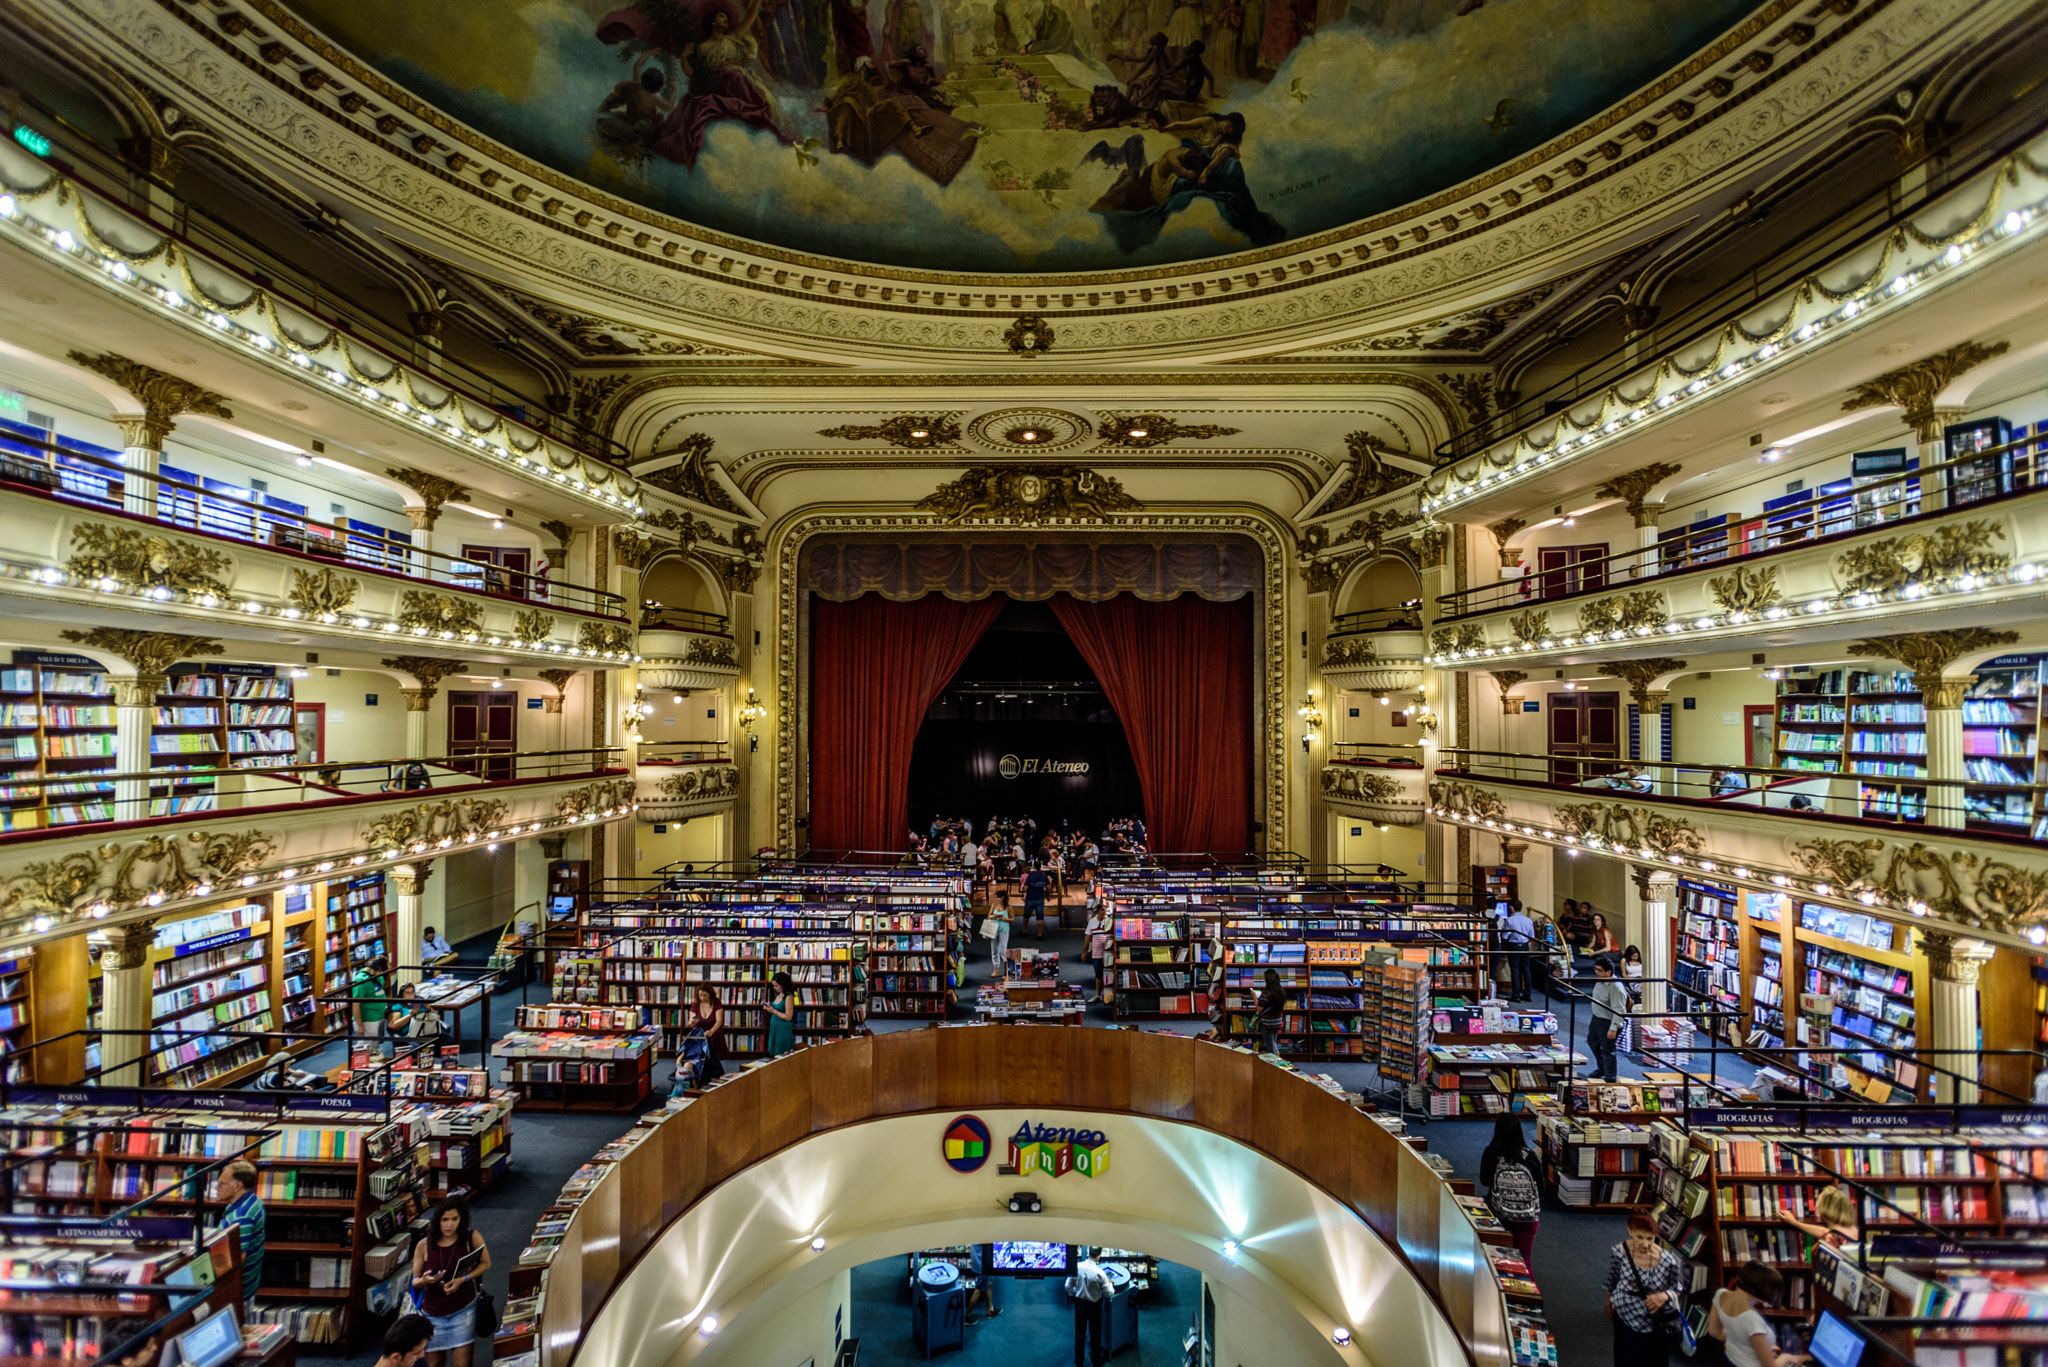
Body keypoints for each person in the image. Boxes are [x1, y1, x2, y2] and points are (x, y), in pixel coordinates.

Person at [411, 1199, 490, 1367]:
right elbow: (415, 1281)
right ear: (437, 1220)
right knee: (434, 1364)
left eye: (454, 1219)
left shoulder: (471, 1237)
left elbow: (485, 1263)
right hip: (432, 1315)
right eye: (445, 1219)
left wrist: (465, 1279)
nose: (449, 1225)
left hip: (463, 1310)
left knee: (463, 1364)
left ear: (461, 1220)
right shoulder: (424, 1245)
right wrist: (424, 1281)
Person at [1605, 1211, 1686, 1367]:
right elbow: (1612, 1279)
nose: (1645, 1244)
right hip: (1624, 1317)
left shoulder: (1668, 1260)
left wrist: (1663, 1296)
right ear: (1630, 1231)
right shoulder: (1619, 1252)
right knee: (1624, 1359)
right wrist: (1608, 1301)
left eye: (1650, 1238)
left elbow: (1677, 1287)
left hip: (1653, 1323)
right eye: (1639, 1237)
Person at [1710, 1261, 1810, 1367]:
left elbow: (1714, 1332)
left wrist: (1757, 1349)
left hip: (1730, 1362)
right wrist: (1786, 1357)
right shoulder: (1752, 1318)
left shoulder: (1720, 1294)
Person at [1480, 1115, 1542, 1269]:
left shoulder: (1491, 1153)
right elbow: (1540, 1186)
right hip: (1528, 1216)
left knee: (1498, 1257)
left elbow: (1484, 1180)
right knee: (1524, 1259)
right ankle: (1529, 1291)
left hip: (1500, 1213)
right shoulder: (1530, 1156)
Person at [217, 1159, 266, 1311]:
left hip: (236, 1294)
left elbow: (236, 1259)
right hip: (249, 1287)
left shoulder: (241, 1217)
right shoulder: (254, 1201)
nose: (216, 1188)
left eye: (221, 1184)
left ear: (238, 1186)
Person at [1778, 1184, 1859, 1254]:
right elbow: (1824, 1232)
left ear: (1826, 1209)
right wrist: (1794, 1222)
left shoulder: (1830, 1240)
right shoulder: (1854, 1230)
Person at [1587, 956, 1629, 1084]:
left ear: (1608, 972)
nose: (1596, 972)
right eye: (1596, 969)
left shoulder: (1616, 987)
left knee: (1608, 1050)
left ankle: (1610, 1077)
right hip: (1597, 1018)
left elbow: (1619, 1010)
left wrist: (1613, 1028)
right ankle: (1602, 1068)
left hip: (1608, 1021)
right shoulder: (1600, 981)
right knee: (1592, 1042)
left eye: (1599, 970)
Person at [1067, 1253, 1113, 1367]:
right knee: (1095, 1333)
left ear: (1088, 1253)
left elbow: (1067, 1286)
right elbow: (1109, 1293)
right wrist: (1110, 1284)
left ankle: (1079, 1361)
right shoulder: (1100, 1273)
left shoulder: (1077, 1267)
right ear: (1098, 1256)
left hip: (1080, 1304)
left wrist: (1073, 1295)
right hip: (1094, 1306)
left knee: (1079, 1333)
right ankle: (1095, 1360)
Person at [687, 985, 728, 1085]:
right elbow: (690, 1023)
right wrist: (692, 1022)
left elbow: (719, 1021)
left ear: (710, 994)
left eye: (705, 995)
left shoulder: (717, 1003)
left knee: (713, 1059)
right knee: (699, 1057)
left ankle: (713, 1076)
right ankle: (702, 1078)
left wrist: (711, 1031)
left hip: (713, 1032)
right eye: (700, 995)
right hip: (699, 1034)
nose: (702, 998)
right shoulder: (695, 1005)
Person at [1503, 900, 1537, 1002]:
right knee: (1526, 971)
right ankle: (1527, 994)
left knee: (1515, 971)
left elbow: (1505, 936)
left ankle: (1516, 995)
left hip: (1514, 946)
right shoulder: (1528, 920)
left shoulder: (1509, 920)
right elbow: (1532, 936)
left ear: (1512, 908)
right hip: (1525, 947)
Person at [352, 955, 390, 1043]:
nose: (378, 973)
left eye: (380, 971)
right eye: (376, 970)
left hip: (379, 1016)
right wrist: (360, 1026)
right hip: (368, 1019)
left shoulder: (379, 977)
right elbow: (355, 1005)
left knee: (376, 1045)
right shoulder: (360, 981)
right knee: (365, 1047)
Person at [963, 1242, 1003, 1323]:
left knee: (990, 1283)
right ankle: (966, 1316)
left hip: (983, 1260)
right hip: (983, 1263)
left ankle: (990, 1310)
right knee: (978, 1290)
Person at [765, 970, 798, 1057]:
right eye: (773, 986)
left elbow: (788, 1017)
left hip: (782, 1029)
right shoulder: (779, 995)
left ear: (783, 984)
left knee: (781, 1056)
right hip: (775, 1028)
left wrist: (773, 1011)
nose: (774, 988)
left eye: (776, 985)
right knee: (775, 1055)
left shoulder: (789, 997)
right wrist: (768, 1007)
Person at [1256, 967, 1285, 1054]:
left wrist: (1254, 997)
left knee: (1270, 1047)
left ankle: (1274, 1065)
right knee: (1273, 1042)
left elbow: (1259, 1009)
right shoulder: (1281, 991)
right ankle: (1277, 1057)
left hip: (1268, 1023)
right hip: (1278, 1021)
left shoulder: (1266, 993)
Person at [1085, 911, 1111, 1003]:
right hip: (1096, 952)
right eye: (1101, 914)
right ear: (1098, 913)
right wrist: (1084, 951)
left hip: (1108, 951)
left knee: (1108, 972)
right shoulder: (1092, 921)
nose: (1103, 916)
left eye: (1104, 914)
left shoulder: (1109, 921)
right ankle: (1098, 994)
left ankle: (1105, 994)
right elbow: (1087, 936)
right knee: (1098, 973)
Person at [1021, 860, 1051, 937]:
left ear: (1033, 867)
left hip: (1030, 898)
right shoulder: (1044, 876)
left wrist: (1023, 888)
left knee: (1026, 915)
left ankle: (1024, 931)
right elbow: (1048, 887)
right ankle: (1039, 934)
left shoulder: (1030, 876)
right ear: (1040, 867)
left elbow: (1025, 888)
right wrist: (1048, 895)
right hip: (1040, 898)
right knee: (1040, 916)